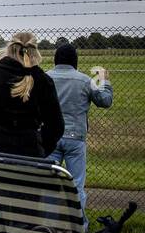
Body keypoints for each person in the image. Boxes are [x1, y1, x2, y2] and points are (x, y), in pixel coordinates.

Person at [0, 32, 64, 161]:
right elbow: (56, 125)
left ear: (9, 49)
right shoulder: (43, 81)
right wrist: (40, 146)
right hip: (30, 155)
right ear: (34, 52)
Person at [47, 42, 114, 212]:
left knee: (47, 183)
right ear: (75, 60)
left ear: (56, 59)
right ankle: (78, 226)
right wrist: (104, 80)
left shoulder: (45, 78)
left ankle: (48, 224)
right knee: (76, 185)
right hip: (75, 138)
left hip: (50, 137)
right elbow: (105, 101)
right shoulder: (85, 80)